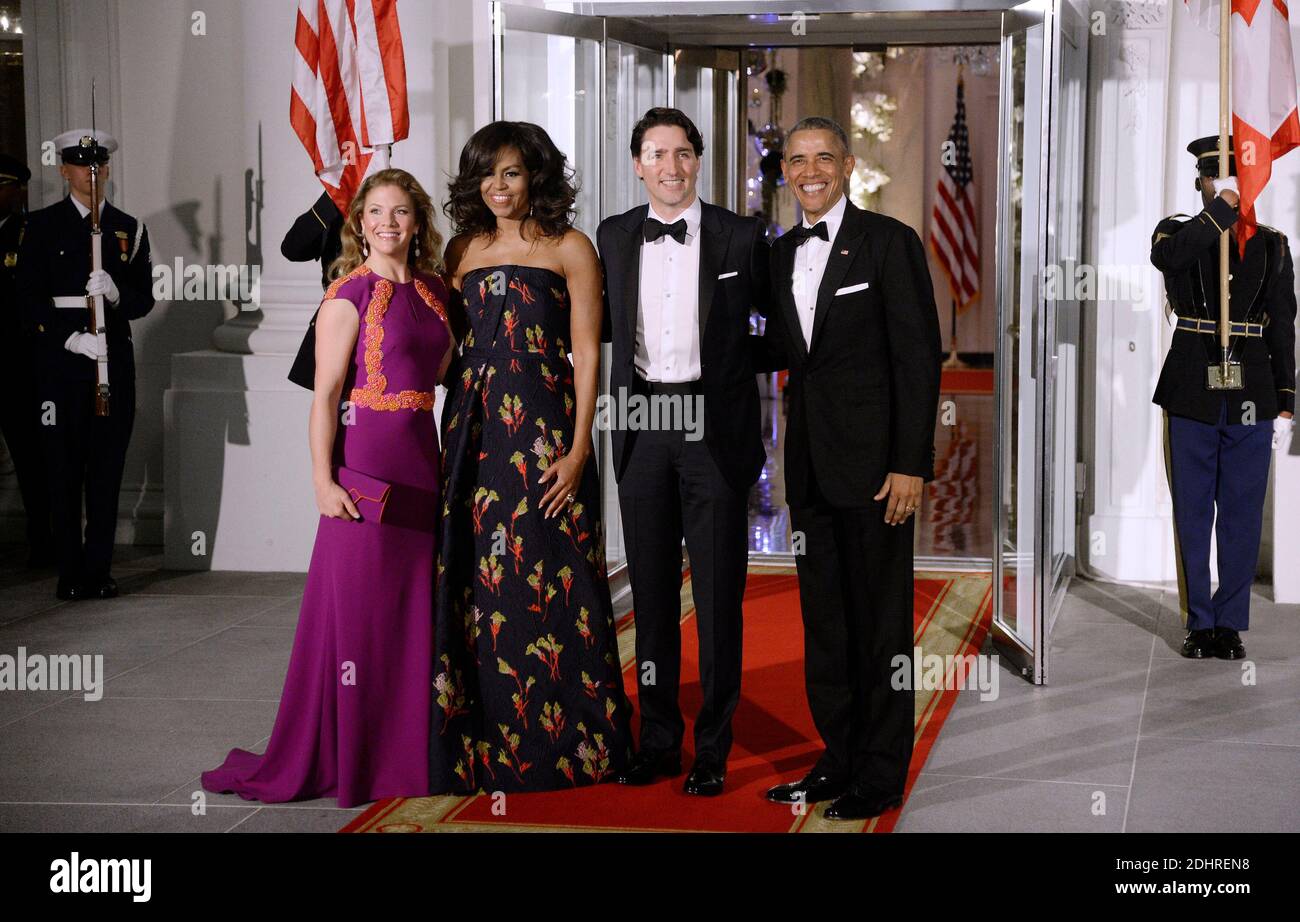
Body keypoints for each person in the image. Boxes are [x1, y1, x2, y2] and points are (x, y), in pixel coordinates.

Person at [202, 168, 454, 807]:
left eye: (400, 212)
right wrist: (322, 479)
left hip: (422, 456)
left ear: (417, 221)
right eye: (376, 213)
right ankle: (355, 756)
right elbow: (326, 396)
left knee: (411, 611)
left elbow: (447, 370)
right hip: (367, 457)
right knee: (363, 614)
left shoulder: (434, 290)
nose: (388, 223)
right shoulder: (346, 295)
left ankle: (405, 752)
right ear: (360, 223)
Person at [430, 121, 632, 793]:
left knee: (553, 578)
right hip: (472, 434)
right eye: (488, 175)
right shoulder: (460, 249)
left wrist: (579, 450)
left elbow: (588, 354)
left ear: (536, 176)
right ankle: (478, 745)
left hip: (546, 432)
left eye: (512, 173)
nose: (499, 187)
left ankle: (571, 747)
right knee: (477, 586)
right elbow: (441, 351)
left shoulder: (571, 247)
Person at [757, 116, 942, 820]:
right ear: (784, 172)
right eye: (797, 160)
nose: (809, 171)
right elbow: (775, 349)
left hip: (877, 473)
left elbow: (918, 362)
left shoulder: (889, 244)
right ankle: (836, 760)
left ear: (848, 164)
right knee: (826, 627)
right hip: (807, 471)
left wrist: (910, 465)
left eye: (823, 158)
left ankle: (881, 771)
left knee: (880, 626)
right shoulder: (778, 256)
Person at [596, 107, 772, 797]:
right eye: (656, 153)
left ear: (699, 161)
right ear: (638, 164)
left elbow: (779, 326)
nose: (671, 167)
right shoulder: (611, 237)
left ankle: (713, 748)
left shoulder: (740, 235)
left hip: (711, 424)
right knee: (652, 597)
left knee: (720, 597)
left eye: (682, 153)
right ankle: (659, 740)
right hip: (641, 419)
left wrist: (731, 374)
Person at [1151, 135, 1296, 660]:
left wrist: (1286, 396)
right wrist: (1219, 211)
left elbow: (1283, 327)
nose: (1233, 186)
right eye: (1220, 178)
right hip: (1191, 388)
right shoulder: (1178, 231)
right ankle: (1199, 621)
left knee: (1240, 512)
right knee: (1193, 511)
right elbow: (1168, 257)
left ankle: (1229, 622)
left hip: (1252, 390)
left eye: (1241, 178)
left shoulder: (1274, 244)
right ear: (1202, 181)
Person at [17, 130, 154, 600]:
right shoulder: (40, 226)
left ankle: (99, 570)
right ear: (64, 170)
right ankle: (69, 571)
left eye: (99, 166)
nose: (92, 174)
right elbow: (28, 299)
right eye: (81, 165)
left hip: (112, 365)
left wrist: (117, 293)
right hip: (62, 367)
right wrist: (69, 339)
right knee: (63, 470)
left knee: (105, 469)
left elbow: (142, 301)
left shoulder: (127, 228)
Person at [0, 152, 54, 567]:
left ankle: (43, 541)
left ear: (19, 190)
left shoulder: (31, 232)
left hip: (18, 366)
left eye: (3, 186)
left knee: (32, 459)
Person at [282, 190, 344, 390]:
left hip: (385, 325)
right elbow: (293, 248)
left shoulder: (395, 195)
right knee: (334, 409)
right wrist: (333, 195)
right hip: (339, 329)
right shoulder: (335, 198)